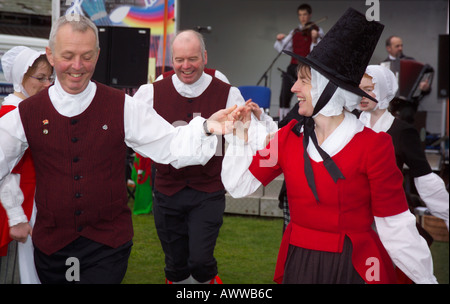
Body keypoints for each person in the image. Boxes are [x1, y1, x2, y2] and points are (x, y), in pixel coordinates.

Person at [0, 15, 241, 284]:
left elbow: (170, 145)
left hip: (107, 245)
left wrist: (205, 126)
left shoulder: (123, 106)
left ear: (98, 54)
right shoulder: (26, 113)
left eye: (87, 56)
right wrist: (15, 214)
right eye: (68, 55)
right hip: (52, 246)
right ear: (51, 55)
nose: (77, 66)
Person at [222, 8, 437, 284]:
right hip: (300, 262)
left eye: (303, 80)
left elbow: (396, 226)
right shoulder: (289, 136)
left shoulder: (374, 146)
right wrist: (238, 131)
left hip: (352, 265)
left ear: (328, 88)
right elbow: (240, 185)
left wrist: (425, 280)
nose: (293, 88)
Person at [144, 29, 258, 284]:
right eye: (179, 59)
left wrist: (249, 125)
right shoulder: (152, 92)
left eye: (192, 58)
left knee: (200, 260)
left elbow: (242, 139)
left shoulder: (228, 93)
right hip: (167, 189)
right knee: (175, 264)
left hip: (207, 190)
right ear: (171, 59)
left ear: (205, 57)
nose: (186, 66)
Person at [358, 65, 448, 230]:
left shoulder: (402, 131)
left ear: (383, 91)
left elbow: (424, 178)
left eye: (368, 89)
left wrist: (447, 212)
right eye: (359, 89)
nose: (362, 95)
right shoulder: (351, 124)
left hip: (388, 215)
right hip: (354, 212)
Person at [0, 46, 53, 284]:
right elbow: (4, 172)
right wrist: (16, 217)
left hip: (30, 207)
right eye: (40, 78)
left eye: (49, 78)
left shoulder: (29, 111)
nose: (47, 84)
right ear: (20, 79)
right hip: (15, 211)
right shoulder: (10, 114)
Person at [274, 3, 324, 120]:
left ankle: (305, 120)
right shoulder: (295, 32)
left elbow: (318, 52)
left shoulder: (317, 30)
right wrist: (279, 40)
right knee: (284, 96)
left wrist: (315, 39)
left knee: (306, 95)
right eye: (300, 15)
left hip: (307, 69)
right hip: (293, 66)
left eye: (305, 14)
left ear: (310, 15)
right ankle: (283, 121)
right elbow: (283, 49)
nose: (302, 17)